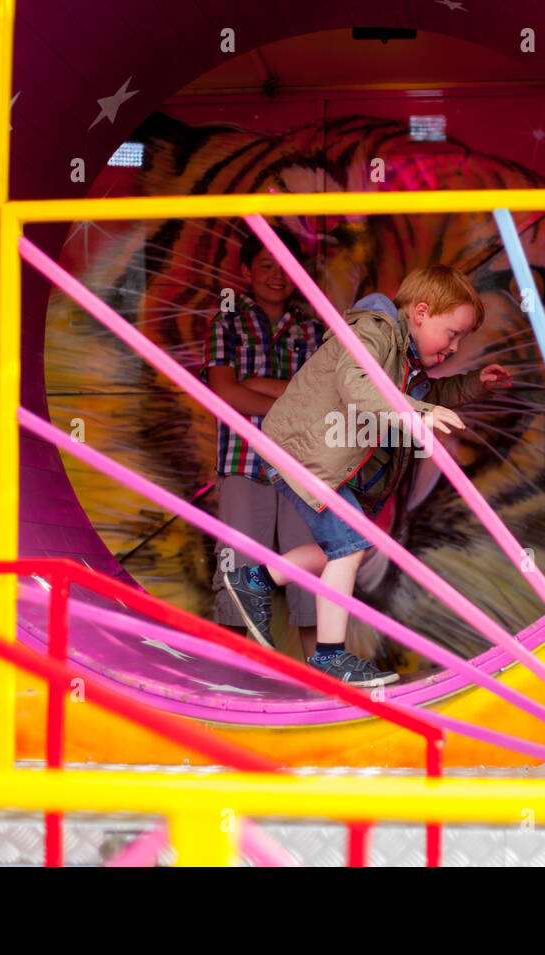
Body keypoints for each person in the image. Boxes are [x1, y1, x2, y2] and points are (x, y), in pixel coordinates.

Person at [221, 265, 513, 686]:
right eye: (452, 334)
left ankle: (253, 579)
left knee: (343, 547)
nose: (454, 346)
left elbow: (429, 394)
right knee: (350, 545)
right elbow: (358, 387)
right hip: (303, 450)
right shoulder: (373, 330)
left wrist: (475, 385)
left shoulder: (405, 362)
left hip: (316, 458)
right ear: (421, 313)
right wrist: (420, 413)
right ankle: (329, 657)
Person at [201, 226, 326, 658]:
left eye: (285, 266)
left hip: (301, 469)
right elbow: (224, 394)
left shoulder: (312, 331)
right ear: (246, 272)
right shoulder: (227, 322)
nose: (277, 275)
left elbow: (320, 399)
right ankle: (235, 680)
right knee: (237, 569)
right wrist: (287, 398)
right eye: (266, 265)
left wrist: (254, 385)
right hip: (243, 464)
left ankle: (323, 680)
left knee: (312, 573)